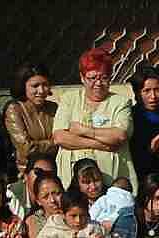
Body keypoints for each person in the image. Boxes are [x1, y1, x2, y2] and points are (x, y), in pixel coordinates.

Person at [54, 48, 133, 190]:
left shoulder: (121, 102)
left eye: (104, 78)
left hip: (111, 180)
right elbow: (60, 137)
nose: (98, 83)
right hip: (72, 180)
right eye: (92, 78)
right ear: (82, 77)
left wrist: (83, 130)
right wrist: (100, 144)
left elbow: (119, 135)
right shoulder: (69, 99)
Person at [2, 62, 56, 172]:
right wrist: (55, 142)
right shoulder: (15, 109)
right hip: (27, 170)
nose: (41, 91)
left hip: (54, 167)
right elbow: (26, 148)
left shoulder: (53, 107)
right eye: (35, 86)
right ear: (23, 86)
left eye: (45, 85)